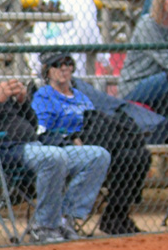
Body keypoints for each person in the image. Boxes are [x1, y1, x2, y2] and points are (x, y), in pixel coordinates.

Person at [0, 32, 110, 243]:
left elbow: (33, 126)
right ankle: (43, 226)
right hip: (0, 150)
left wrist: (22, 102)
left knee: (98, 155)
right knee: (54, 157)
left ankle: (65, 218)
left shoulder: (1, 87)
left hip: (35, 146)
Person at [32, 51, 152, 235]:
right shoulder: (44, 96)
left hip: (95, 140)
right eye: (57, 65)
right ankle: (66, 216)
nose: (64, 68)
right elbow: (43, 129)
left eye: (68, 63)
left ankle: (116, 216)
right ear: (47, 71)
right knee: (115, 154)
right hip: (67, 144)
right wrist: (70, 138)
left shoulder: (80, 95)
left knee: (138, 156)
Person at [27, 0, 112, 76]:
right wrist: (105, 61)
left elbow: (38, 35)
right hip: (72, 67)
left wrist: (35, 68)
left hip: (49, 67)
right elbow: (88, 33)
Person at [120, 0, 168, 121]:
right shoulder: (148, 24)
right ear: (160, 0)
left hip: (162, 84)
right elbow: (167, 60)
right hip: (135, 84)